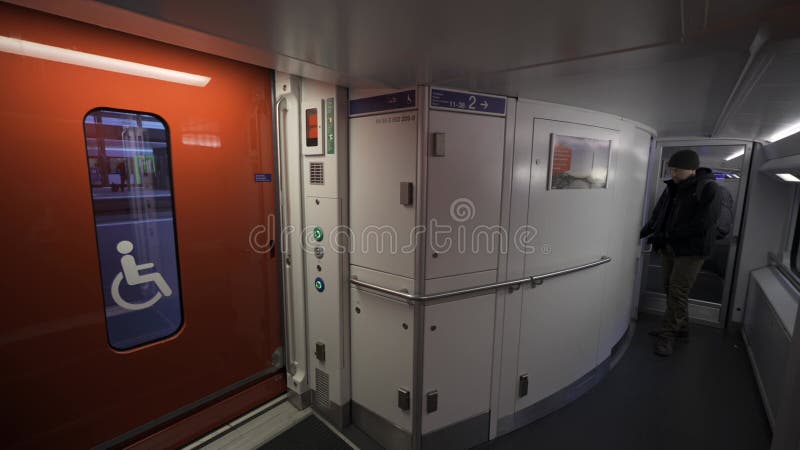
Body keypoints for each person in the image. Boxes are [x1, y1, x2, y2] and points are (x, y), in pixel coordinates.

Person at [639, 149, 722, 356]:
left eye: (677, 170)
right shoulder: (672, 188)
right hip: (670, 247)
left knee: (677, 291)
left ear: (692, 170)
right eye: (671, 169)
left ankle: (668, 335)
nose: (673, 174)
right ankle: (681, 329)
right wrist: (645, 231)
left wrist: (669, 235)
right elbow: (659, 213)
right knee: (670, 289)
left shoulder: (709, 188)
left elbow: (703, 223)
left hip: (692, 251)